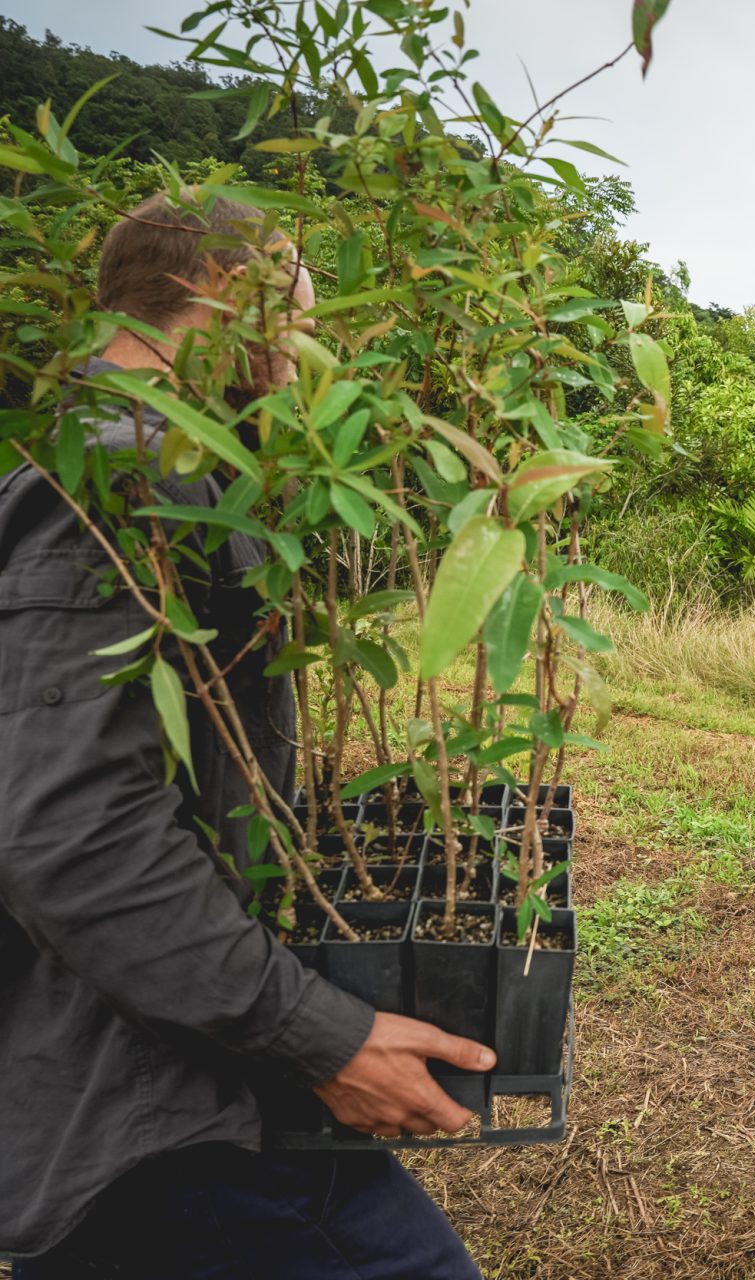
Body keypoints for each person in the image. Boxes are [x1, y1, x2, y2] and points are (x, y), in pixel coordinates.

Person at [0, 194, 488, 1277]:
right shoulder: (122, 480)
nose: (308, 356)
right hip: (143, 1115)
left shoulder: (170, 472)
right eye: (300, 323)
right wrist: (323, 1034)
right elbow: (73, 837)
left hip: (204, 1069)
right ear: (222, 300)